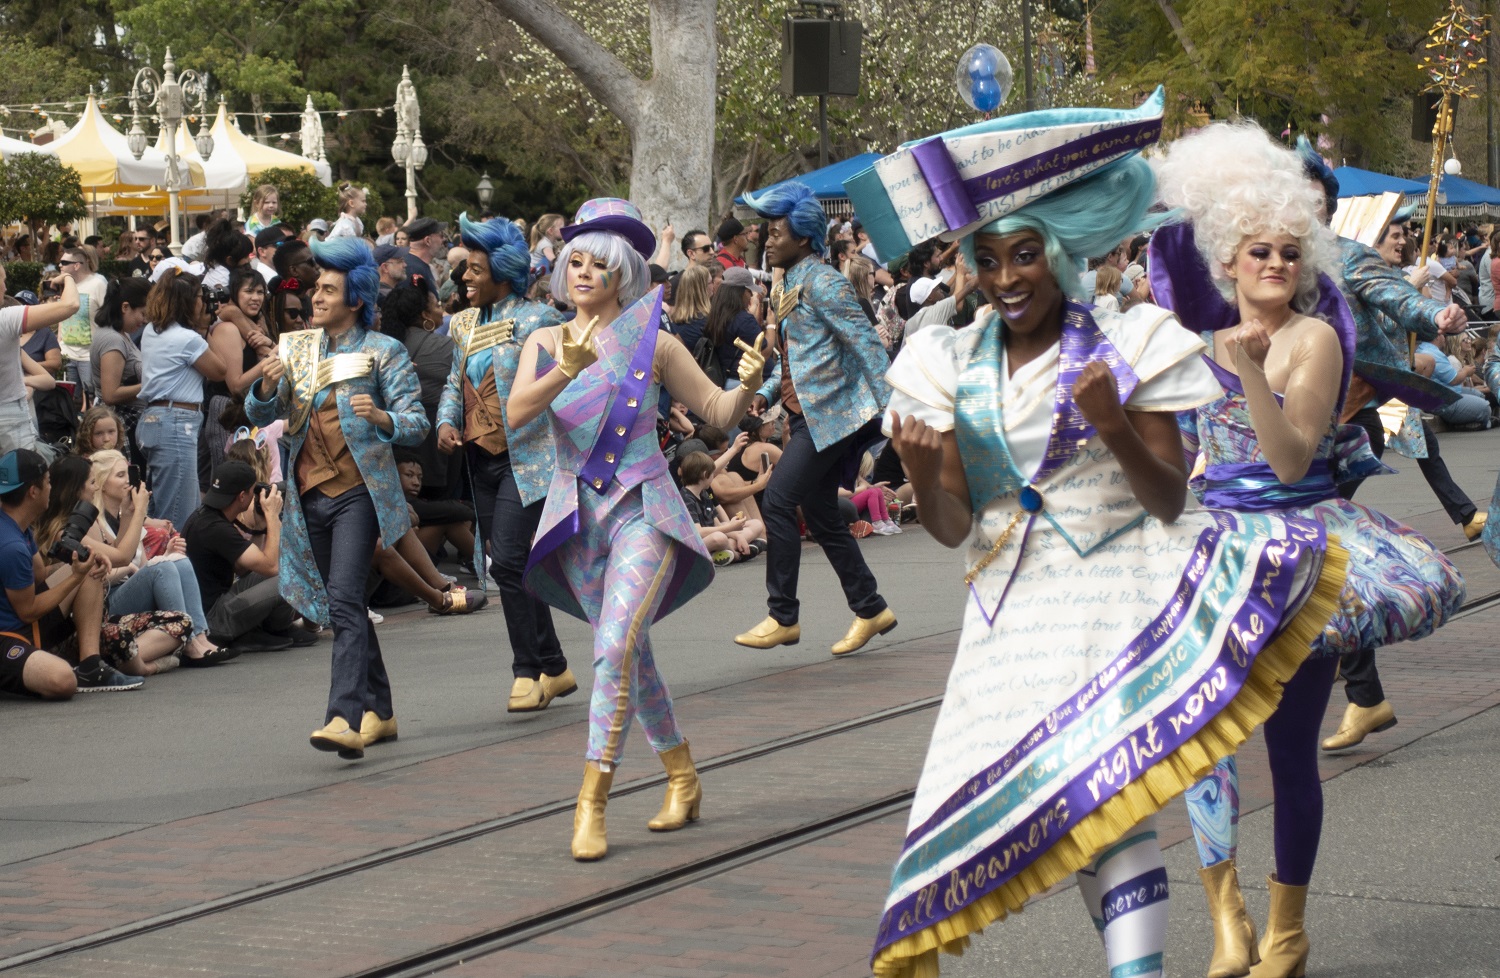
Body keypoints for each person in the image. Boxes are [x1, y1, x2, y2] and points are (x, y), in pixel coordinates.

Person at [851, 91, 1345, 978]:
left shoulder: (1133, 341)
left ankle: (1148, 967)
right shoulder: (942, 363)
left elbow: (1162, 498)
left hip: (1120, 589)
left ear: (1061, 257)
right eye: (990, 258)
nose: (1008, 277)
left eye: (1026, 255)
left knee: (1114, 799)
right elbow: (953, 526)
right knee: (1068, 809)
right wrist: (922, 468)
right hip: (1007, 616)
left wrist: (1114, 423)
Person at [1153, 122, 1464, 978]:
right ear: (1227, 260)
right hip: (1214, 560)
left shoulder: (1315, 339)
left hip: (1299, 558)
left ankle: (1287, 934)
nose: (1277, 266)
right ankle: (1228, 923)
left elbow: (1292, 456)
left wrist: (1251, 369)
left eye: (1292, 252)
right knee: (1202, 746)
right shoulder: (1189, 343)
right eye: (1260, 251)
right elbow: (1181, 466)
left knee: (1290, 753)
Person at [507, 197, 766, 861]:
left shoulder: (656, 340)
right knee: (631, 656)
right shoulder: (542, 342)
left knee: (615, 649)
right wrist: (564, 367)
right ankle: (683, 778)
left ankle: (591, 803)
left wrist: (748, 386)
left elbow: (714, 412)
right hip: (577, 518)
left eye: (601, 263)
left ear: (623, 273)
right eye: (578, 262)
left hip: (645, 510)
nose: (586, 272)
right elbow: (516, 417)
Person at [247, 238, 430, 759]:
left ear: (355, 299)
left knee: (346, 599)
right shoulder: (297, 349)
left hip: (359, 494)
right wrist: (265, 389)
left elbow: (415, 422)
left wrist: (382, 419)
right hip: (308, 497)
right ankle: (383, 711)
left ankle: (343, 717)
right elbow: (263, 417)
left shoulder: (384, 350)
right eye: (316, 288)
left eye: (328, 289)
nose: (316, 297)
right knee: (340, 603)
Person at [734, 182, 896, 656]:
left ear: (803, 237)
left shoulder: (825, 282)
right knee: (824, 517)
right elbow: (795, 357)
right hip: (805, 415)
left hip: (838, 416)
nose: (767, 239)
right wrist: (766, 395)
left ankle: (782, 615)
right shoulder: (786, 282)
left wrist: (896, 409)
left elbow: (867, 345)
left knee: (780, 501)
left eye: (777, 231)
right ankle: (870, 607)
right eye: (767, 230)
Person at [436, 215, 571, 712]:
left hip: (529, 460)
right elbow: (454, 381)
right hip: (479, 461)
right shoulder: (463, 324)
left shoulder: (541, 320)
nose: (463, 278)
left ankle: (527, 671)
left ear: (503, 270)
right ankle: (554, 665)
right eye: (463, 268)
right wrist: (445, 423)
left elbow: (565, 387)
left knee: (509, 562)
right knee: (515, 567)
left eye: (474, 268)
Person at [0, 449, 133, 694]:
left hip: (23, 625)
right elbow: (28, 611)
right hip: (9, 635)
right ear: (33, 491)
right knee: (62, 680)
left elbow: (39, 576)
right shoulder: (11, 546)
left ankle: (91, 666)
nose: (52, 487)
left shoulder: (19, 524)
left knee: (88, 562)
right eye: (48, 482)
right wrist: (75, 576)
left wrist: (77, 561)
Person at [137, 270, 227, 530]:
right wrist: (206, 328)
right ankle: (173, 566)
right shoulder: (187, 339)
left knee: (158, 509)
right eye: (200, 297)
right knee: (178, 515)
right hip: (175, 424)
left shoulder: (152, 331)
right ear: (188, 302)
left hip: (155, 420)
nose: (204, 302)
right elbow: (220, 371)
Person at [183, 459, 304, 652]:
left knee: (287, 566)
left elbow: (243, 568)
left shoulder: (207, 516)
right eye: (253, 490)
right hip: (215, 621)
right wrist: (272, 516)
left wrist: (257, 528)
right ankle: (274, 628)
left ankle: (265, 629)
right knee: (289, 574)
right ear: (242, 496)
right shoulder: (215, 528)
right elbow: (271, 566)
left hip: (215, 606)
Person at [1, 273, 78, 456]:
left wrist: (25, 381)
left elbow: (48, 380)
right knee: (25, 481)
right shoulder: (5, 319)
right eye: (2, 280)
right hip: (10, 422)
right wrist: (68, 277)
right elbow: (71, 305)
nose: (5, 288)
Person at [91, 277, 152, 457]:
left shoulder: (118, 335)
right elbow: (110, 394)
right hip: (124, 423)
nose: (144, 320)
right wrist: (149, 385)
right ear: (125, 307)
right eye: (142, 313)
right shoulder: (113, 340)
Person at [677, 450, 764, 564]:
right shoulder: (686, 498)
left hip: (715, 534)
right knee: (719, 538)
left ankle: (725, 553)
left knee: (756, 524)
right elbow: (698, 532)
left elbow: (717, 524)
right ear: (705, 474)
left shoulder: (704, 493)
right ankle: (735, 554)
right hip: (696, 543)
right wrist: (730, 528)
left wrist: (738, 536)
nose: (713, 477)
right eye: (712, 473)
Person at [56, 245, 109, 394]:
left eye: (64, 262)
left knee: (91, 399)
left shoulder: (98, 283)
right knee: (69, 400)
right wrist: (59, 342)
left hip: (89, 356)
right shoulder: (65, 283)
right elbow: (62, 313)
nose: (60, 265)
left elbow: (107, 315)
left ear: (77, 265)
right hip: (66, 353)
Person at [705, 267, 765, 389]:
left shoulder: (715, 315)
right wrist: (771, 325)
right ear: (741, 293)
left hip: (722, 381)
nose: (751, 296)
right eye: (749, 292)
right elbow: (764, 351)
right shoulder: (744, 320)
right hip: (741, 383)